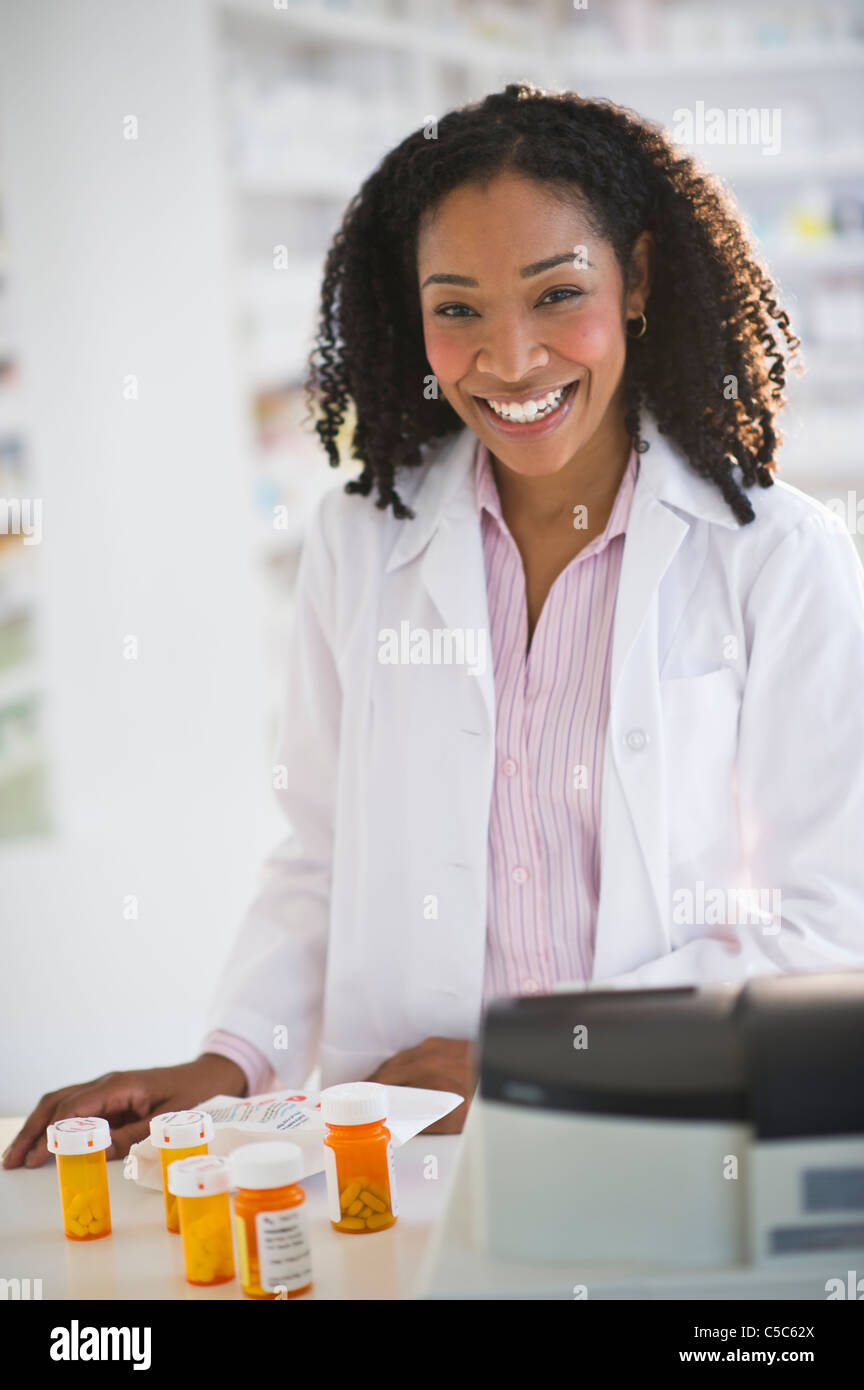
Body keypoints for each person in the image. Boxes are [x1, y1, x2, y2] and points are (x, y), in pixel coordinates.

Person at [7, 83, 864, 1171]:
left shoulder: (775, 556)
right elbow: (319, 855)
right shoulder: (360, 542)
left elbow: (831, 932)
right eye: (458, 308)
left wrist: (532, 1061)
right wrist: (229, 1063)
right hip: (392, 1158)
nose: (510, 359)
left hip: (654, 1144)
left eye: (558, 294)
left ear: (637, 277)